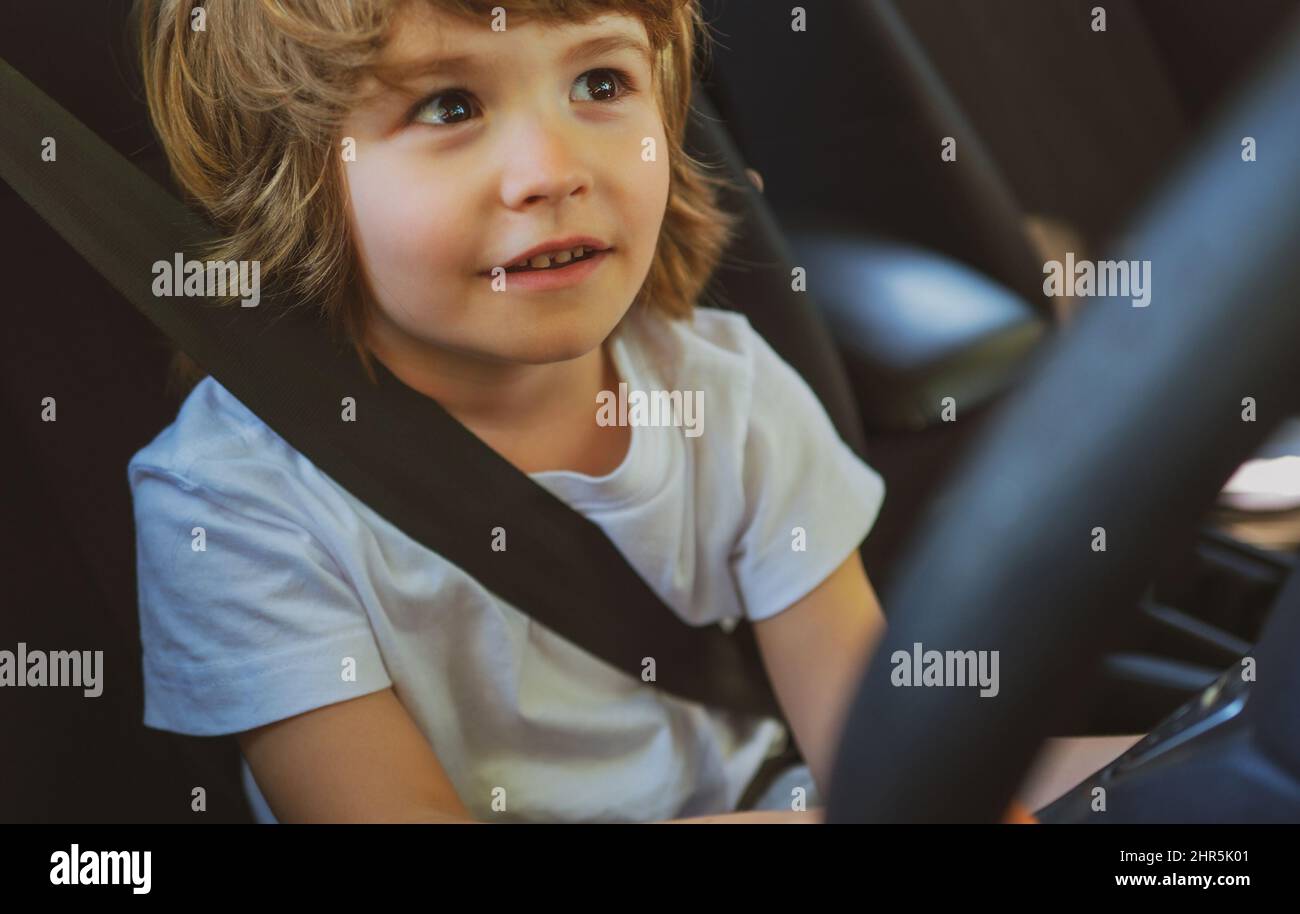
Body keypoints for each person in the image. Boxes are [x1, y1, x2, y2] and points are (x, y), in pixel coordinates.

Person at [127, 0, 1121, 824]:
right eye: (447, 104)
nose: (554, 170)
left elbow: (874, 739)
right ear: (292, 174)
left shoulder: (723, 392)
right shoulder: (231, 500)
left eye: (601, 83)